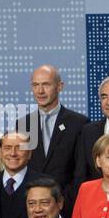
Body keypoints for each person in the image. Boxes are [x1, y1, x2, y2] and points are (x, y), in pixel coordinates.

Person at [19, 64, 90, 208]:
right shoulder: (24, 124)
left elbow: (81, 173)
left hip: (66, 207)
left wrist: (62, 202)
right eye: (35, 85)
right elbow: (20, 170)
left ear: (60, 86)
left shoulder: (79, 123)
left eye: (46, 85)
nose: (40, 91)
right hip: (32, 210)